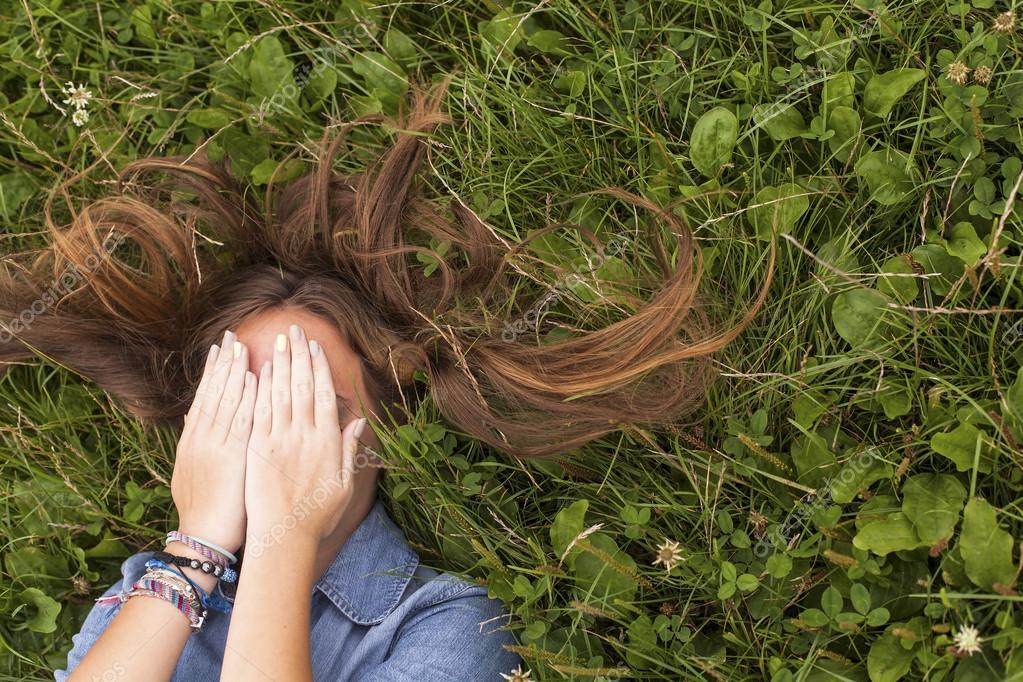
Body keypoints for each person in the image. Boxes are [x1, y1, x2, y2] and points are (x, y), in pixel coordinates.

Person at [0, 74, 770, 681]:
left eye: (313, 410)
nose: (271, 446)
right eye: (242, 408)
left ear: (383, 434)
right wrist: (194, 551)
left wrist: (283, 539)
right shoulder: (150, 595)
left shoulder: (449, 626)